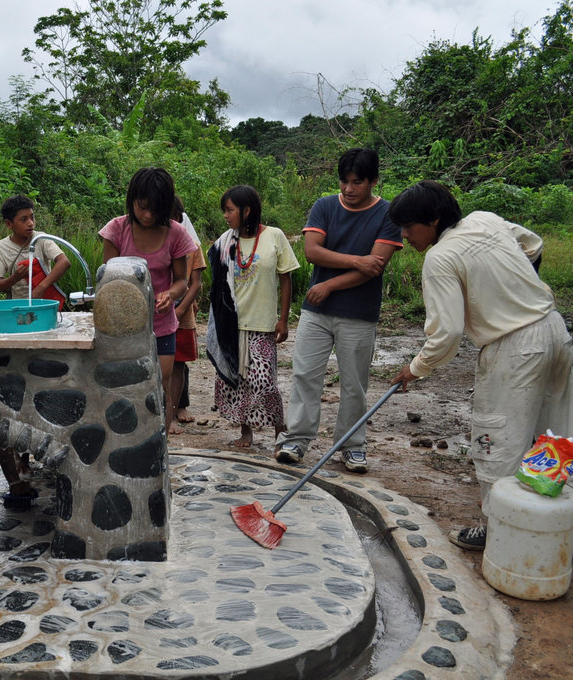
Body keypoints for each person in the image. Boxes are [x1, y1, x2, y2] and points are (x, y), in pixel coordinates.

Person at [389, 180, 572, 550]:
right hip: (554, 331)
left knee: (499, 440)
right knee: (554, 431)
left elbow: (447, 334)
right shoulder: (485, 220)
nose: (404, 235)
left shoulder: (440, 258)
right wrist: (513, 289)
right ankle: (554, 526)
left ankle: (500, 530)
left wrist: (415, 368)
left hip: (513, 348)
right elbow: (533, 245)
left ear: (435, 220)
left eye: (410, 226)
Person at [275, 148, 402, 473]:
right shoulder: (325, 206)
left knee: (354, 384)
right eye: (344, 182)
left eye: (357, 182)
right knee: (305, 375)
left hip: (358, 313)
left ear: (373, 181)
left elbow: (376, 267)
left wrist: (330, 285)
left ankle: (352, 446)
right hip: (316, 313)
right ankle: (295, 441)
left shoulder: (387, 214)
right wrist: (357, 259)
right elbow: (313, 251)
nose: (348, 189)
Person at [100, 167, 197, 432]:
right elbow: (110, 278)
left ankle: (160, 443)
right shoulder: (117, 230)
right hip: (122, 324)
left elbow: (181, 280)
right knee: (125, 385)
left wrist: (170, 294)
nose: (148, 215)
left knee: (159, 383)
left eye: (155, 209)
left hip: (161, 323)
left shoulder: (176, 233)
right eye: (142, 207)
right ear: (132, 200)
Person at [213, 186, 300, 448]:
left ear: (246, 210)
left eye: (230, 210)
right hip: (233, 325)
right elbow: (217, 283)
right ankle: (246, 432)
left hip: (262, 324)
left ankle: (279, 429)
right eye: (225, 211)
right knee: (237, 381)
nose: (226, 216)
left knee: (264, 381)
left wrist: (283, 319)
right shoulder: (225, 241)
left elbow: (286, 279)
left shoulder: (275, 236)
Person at [0, 194, 71, 302]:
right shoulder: (1, 247)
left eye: (32, 217)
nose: (31, 223)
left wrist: (41, 288)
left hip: (45, 303)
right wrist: (15, 278)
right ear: (9, 224)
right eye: (24, 220)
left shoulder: (41, 239)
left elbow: (64, 262)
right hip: (18, 305)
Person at [169, 196, 206, 434]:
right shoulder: (153, 242)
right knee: (159, 363)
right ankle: (166, 412)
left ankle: (177, 406)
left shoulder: (191, 245)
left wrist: (183, 308)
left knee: (178, 363)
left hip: (181, 316)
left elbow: (196, 282)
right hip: (160, 313)